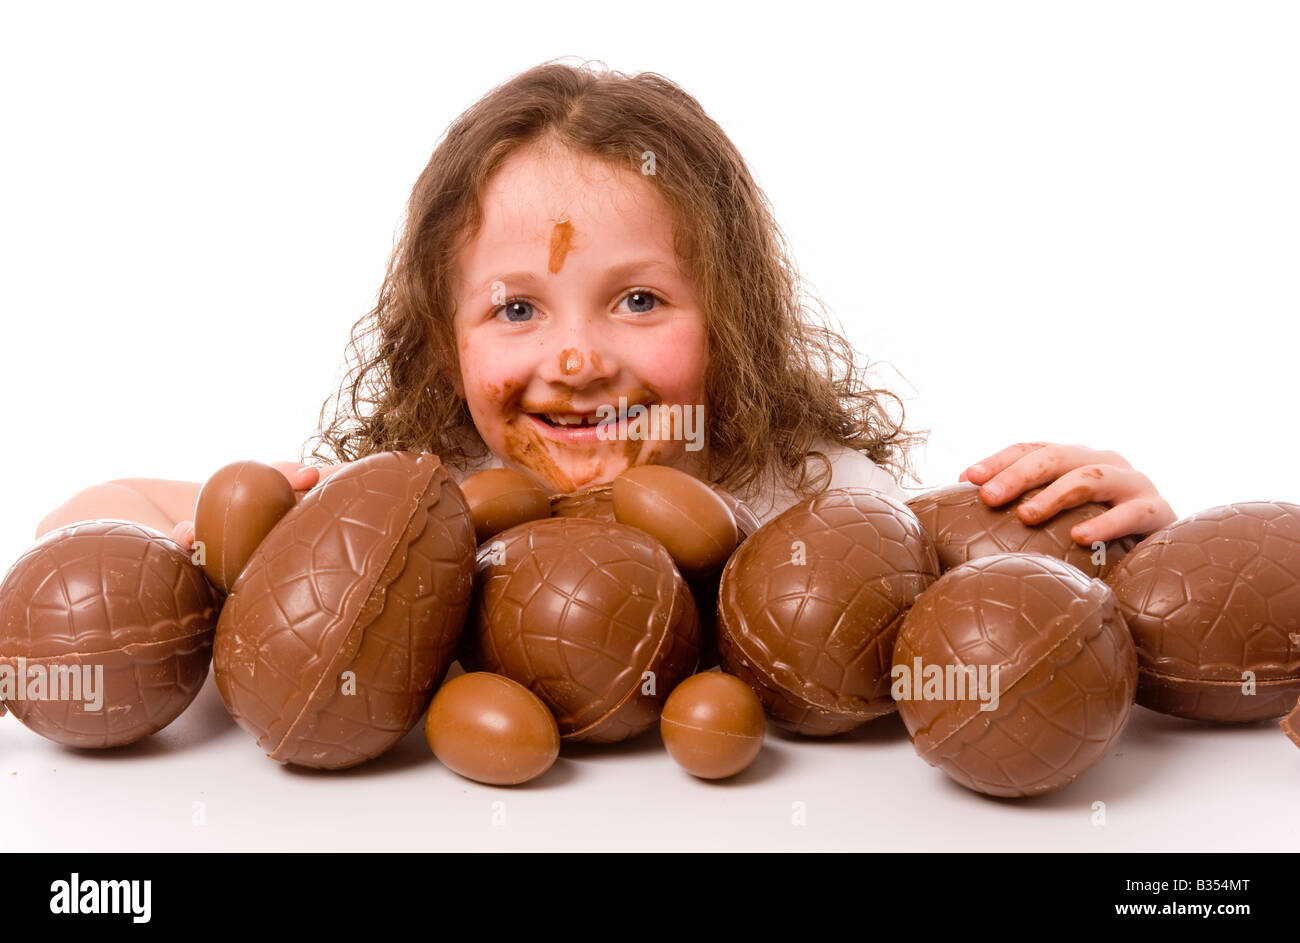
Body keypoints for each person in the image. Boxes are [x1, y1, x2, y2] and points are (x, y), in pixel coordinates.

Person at [36, 61, 1176, 546]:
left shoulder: (816, 504)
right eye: (516, 311)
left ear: (733, 323)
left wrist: (1123, 534)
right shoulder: (410, 514)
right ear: (442, 345)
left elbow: (1025, 596)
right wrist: (207, 548)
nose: (575, 358)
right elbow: (92, 507)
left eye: (636, 299)